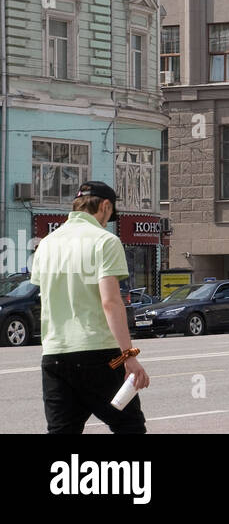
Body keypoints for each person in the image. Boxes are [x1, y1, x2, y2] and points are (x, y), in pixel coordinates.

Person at [28, 181, 150, 434]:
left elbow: (46, 296)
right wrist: (129, 356)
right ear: (105, 206)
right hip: (99, 353)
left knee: (62, 431)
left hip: (55, 354)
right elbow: (110, 301)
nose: (109, 221)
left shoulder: (47, 244)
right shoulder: (105, 241)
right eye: (110, 214)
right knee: (129, 427)